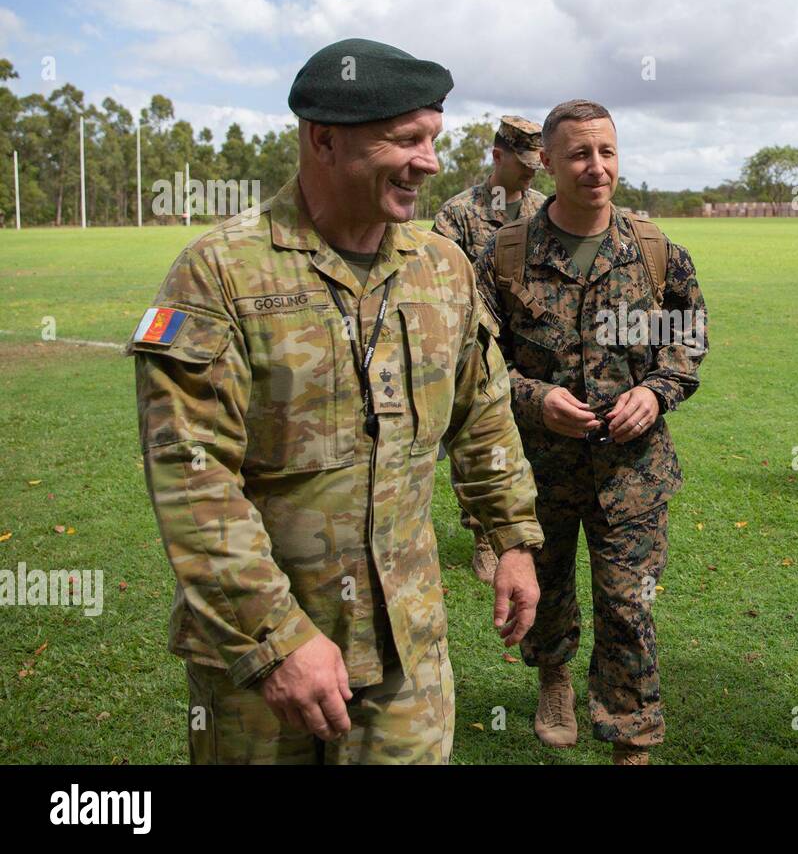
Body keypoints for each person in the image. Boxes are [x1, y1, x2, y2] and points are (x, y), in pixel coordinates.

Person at [129, 37, 543, 764]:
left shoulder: (441, 267)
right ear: (324, 139)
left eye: (434, 140)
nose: (430, 162)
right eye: (407, 140)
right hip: (262, 667)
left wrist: (511, 540)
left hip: (406, 645)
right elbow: (194, 479)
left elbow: (484, 412)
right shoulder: (220, 274)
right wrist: (277, 636)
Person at [474, 99, 707, 764]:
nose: (596, 166)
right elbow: (475, 362)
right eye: (579, 153)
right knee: (542, 594)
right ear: (546, 161)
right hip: (536, 474)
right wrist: (532, 397)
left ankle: (631, 737)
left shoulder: (655, 251)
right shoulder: (505, 255)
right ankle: (553, 677)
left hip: (633, 474)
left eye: (606, 152)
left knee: (629, 608)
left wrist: (655, 393)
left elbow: (687, 338)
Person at [433, 116, 546, 584]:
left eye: (537, 164)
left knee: (532, 443)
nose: (531, 172)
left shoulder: (545, 209)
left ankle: (527, 532)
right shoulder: (458, 214)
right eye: (523, 163)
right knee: (478, 441)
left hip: (536, 349)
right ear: (497, 155)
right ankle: (484, 535)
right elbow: (442, 284)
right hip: (482, 347)